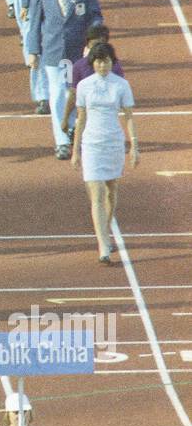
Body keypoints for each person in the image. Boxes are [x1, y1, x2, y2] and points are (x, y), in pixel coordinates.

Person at [26, 0, 103, 159]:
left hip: (77, 50)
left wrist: (94, 39)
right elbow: (34, 22)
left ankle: (71, 127)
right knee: (57, 92)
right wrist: (32, 50)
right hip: (52, 50)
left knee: (73, 91)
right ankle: (61, 140)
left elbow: (96, 14)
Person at [72, 43, 138, 263]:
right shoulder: (84, 86)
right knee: (97, 192)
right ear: (93, 63)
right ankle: (103, 244)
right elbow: (80, 118)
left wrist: (134, 146)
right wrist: (76, 150)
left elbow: (128, 116)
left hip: (113, 143)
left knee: (111, 190)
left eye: (107, 61)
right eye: (99, 61)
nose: (103, 65)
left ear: (112, 62)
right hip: (92, 144)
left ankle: (106, 230)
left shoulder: (121, 85)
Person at [60, 25, 125, 138]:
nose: (98, 48)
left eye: (102, 44)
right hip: (87, 111)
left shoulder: (115, 66)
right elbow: (73, 94)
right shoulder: (78, 66)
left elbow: (121, 92)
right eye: (94, 44)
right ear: (88, 44)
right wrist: (65, 118)